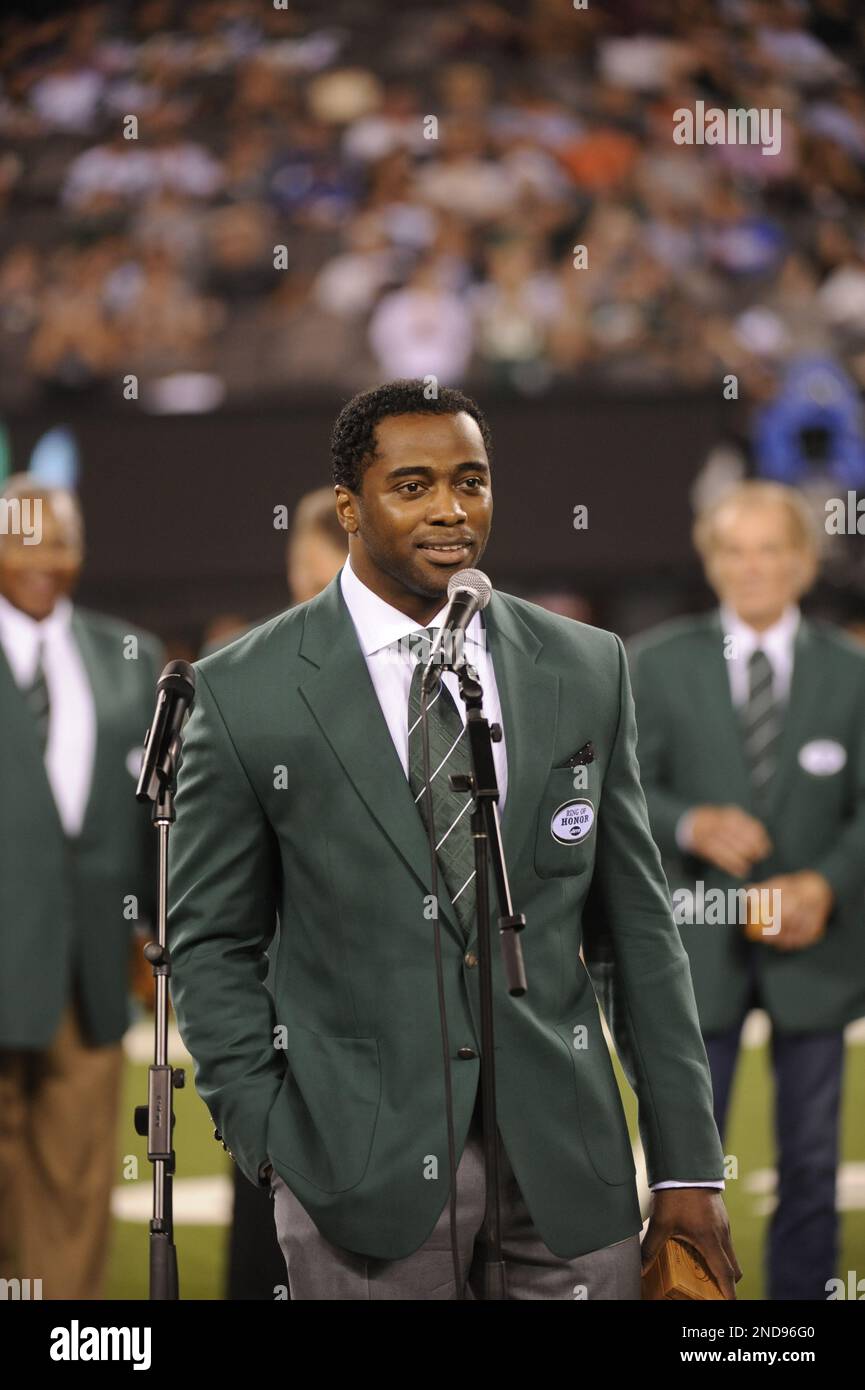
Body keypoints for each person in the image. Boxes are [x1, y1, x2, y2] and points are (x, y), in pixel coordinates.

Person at [169, 379, 739, 1301]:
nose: (450, 509)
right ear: (349, 508)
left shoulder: (587, 664)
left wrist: (686, 1166)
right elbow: (209, 945)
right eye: (413, 485)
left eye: (471, 481)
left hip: (568, 1172)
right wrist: (271, 1139)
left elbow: (635, 931)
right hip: (355, 1177)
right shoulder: (244, 691)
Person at [628, 480, 865, 1301]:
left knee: (809, 1160)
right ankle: (692, 1311)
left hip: (816, 951)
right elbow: (616, 789)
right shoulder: (651, 664)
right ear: (710, 560)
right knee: (686, 1168)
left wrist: (822, 885)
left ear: (803, 563)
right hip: (695, 947)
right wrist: (689, 823)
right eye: (734, 549)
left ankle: (800, 1313)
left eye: (770, 549)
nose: (752, 567)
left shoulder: (853, 670)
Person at [0, 473, 162, 1299]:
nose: (43, 559)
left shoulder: (129, 656)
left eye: (58, 540)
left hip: (92, 963)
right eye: (23, 539)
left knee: (77, 1173)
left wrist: (151, 931)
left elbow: (153, 815)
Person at [224, 486, 348, 1301]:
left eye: (323, 560)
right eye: (302, 562)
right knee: (268, 1174)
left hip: (375, 979)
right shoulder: (249, 679)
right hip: (278, 973)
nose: (310, 577)